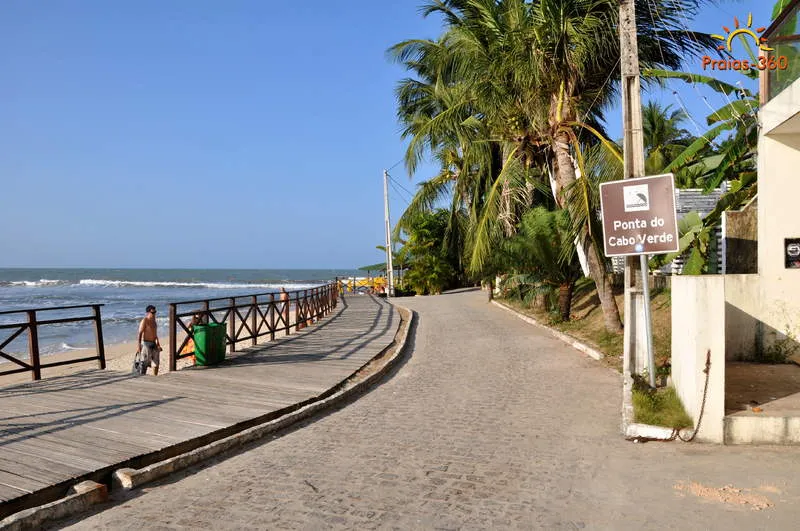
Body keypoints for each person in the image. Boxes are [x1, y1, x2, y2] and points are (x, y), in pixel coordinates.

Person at [137, 305, 162, 375]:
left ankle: (155, 377)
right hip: (146, 343)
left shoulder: (154, 322)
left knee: (156, 363)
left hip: (154, 343)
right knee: (144, 364)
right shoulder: (145, 320)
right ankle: (142, 377)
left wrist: (158, 343)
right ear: (148, 312)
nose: (154, 314)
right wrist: (139, 346)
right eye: (153, 312)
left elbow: (155, 334)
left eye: (155, 312)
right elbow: (140, 333)